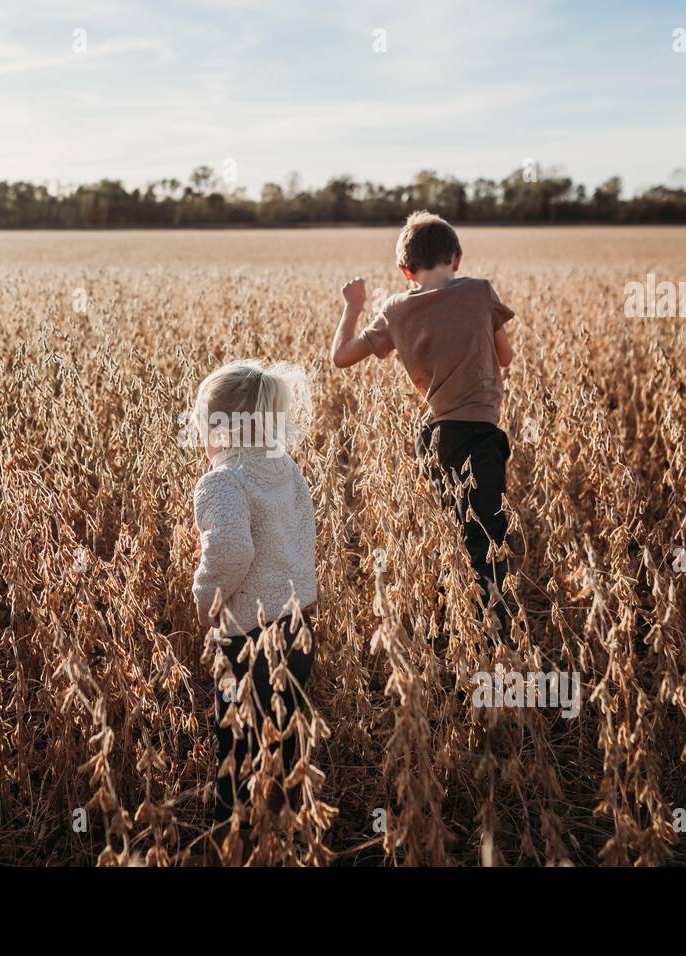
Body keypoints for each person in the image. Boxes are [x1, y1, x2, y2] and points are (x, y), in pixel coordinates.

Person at [329, 210, 516, 630]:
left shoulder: (395, 309)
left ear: (404, 270)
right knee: (488, 540)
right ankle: (492, 634)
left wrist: (354, 306)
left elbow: (341, 358)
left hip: (434, 439)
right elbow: (506, 358)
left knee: (448, 533)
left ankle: (447, 630)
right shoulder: (480, 292)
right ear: (458, 258)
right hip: (481, 435)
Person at [188, 359, 318, 826]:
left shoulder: (222, 482)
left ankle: (236, 832)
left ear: (221, 429)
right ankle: (286, 825)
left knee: (238, 743)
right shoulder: (286, 470)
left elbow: (230, 551)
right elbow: (303, 533)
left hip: (248, 637)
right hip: (298, 628)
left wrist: (207, 601)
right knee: (285, 735)